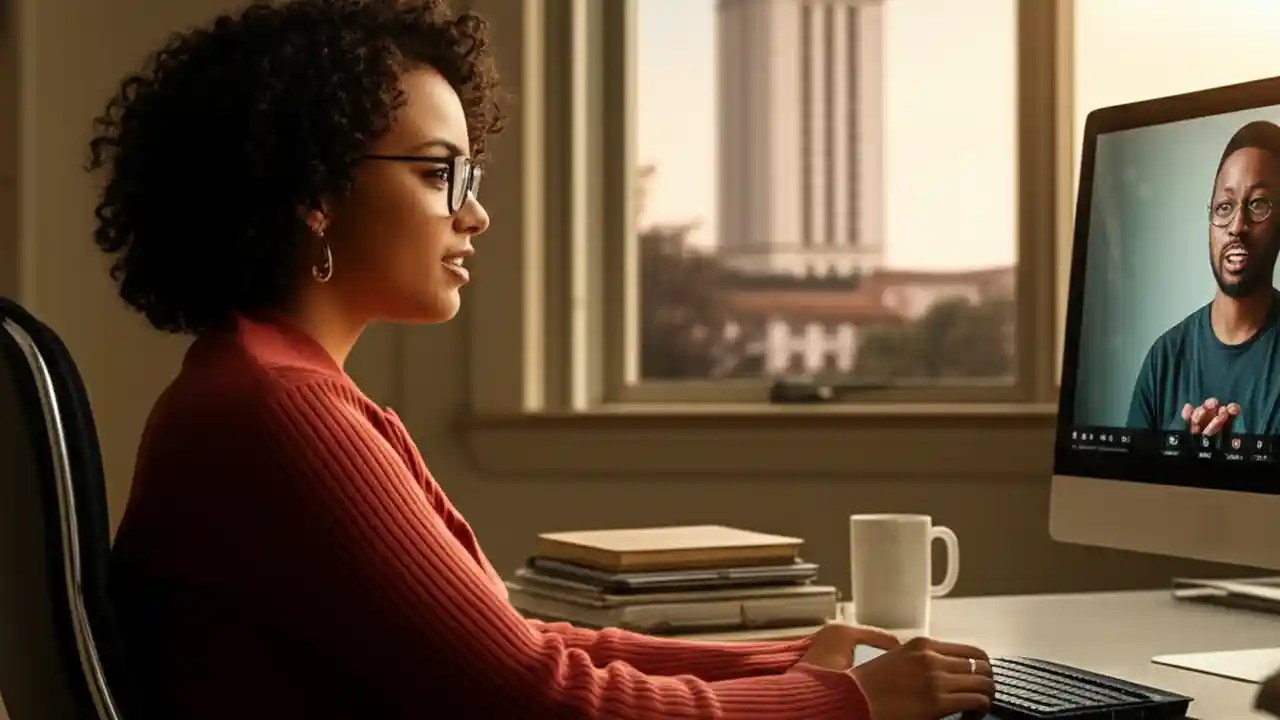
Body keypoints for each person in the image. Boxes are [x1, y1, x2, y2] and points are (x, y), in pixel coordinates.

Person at [92, 1, 995, 718]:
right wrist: (843, 705)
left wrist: (784, 659)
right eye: (439, 172)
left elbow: (527, 648)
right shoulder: (282, 415)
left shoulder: (255, 384)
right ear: (315, 192)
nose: (473, 213)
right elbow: (546, 702)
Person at [1127, 120, 1280, 438]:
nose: (1237, 225)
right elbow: (1127, 485)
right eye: (1224, 207)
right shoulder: (1164, 359)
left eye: (1258, 204)